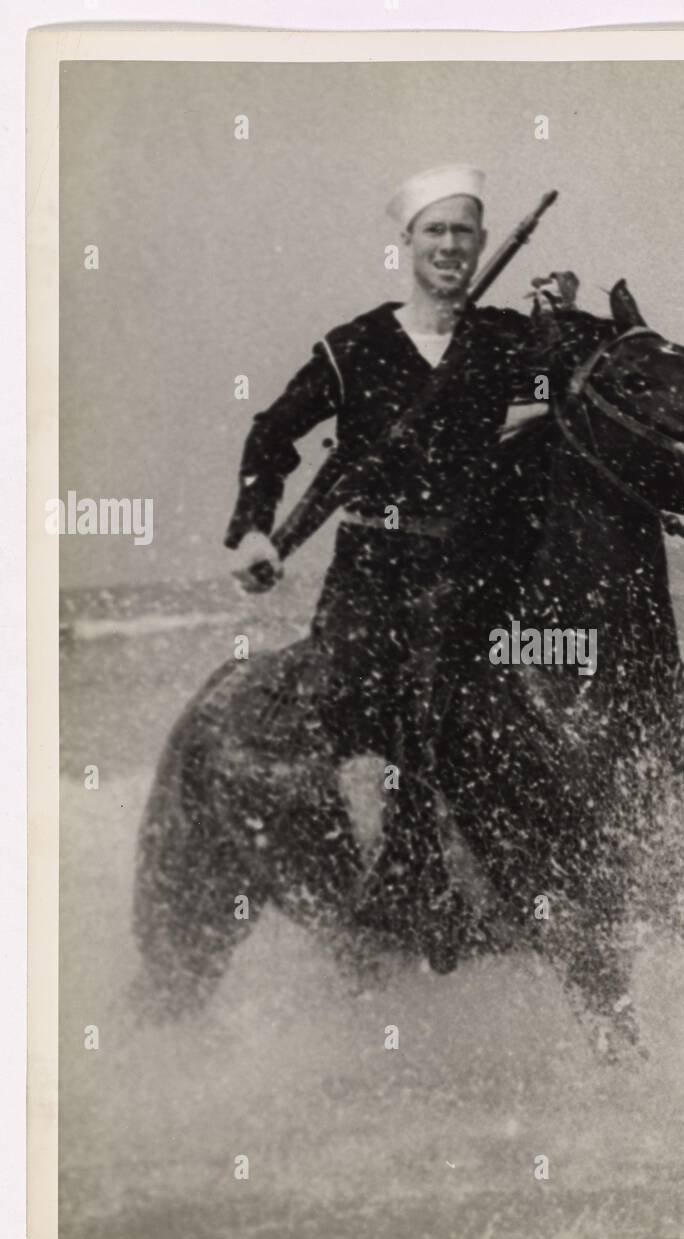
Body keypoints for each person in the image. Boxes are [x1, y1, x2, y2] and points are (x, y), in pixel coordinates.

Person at [223, 165, 553, 969]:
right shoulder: (353, 347)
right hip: (374, 576)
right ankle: (381, 890)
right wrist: (257, 530)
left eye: (462, 232)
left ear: (480, 243)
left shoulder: (507, 339)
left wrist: (558, 318)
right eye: (433, 232)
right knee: (367, 709)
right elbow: (274, 431)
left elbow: (557, 400)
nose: (449, 246)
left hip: (480, 573)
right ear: (406, 243)